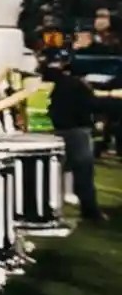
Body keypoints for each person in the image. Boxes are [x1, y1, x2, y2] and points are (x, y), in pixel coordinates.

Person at [43, 49, 111, 223]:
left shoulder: (42, 82)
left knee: (50, 174)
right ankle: (90, 211)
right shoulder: (77, 84)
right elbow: (93, 105)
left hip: (49, 132)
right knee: (83, 174)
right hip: (76, 132)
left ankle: (48, 209)